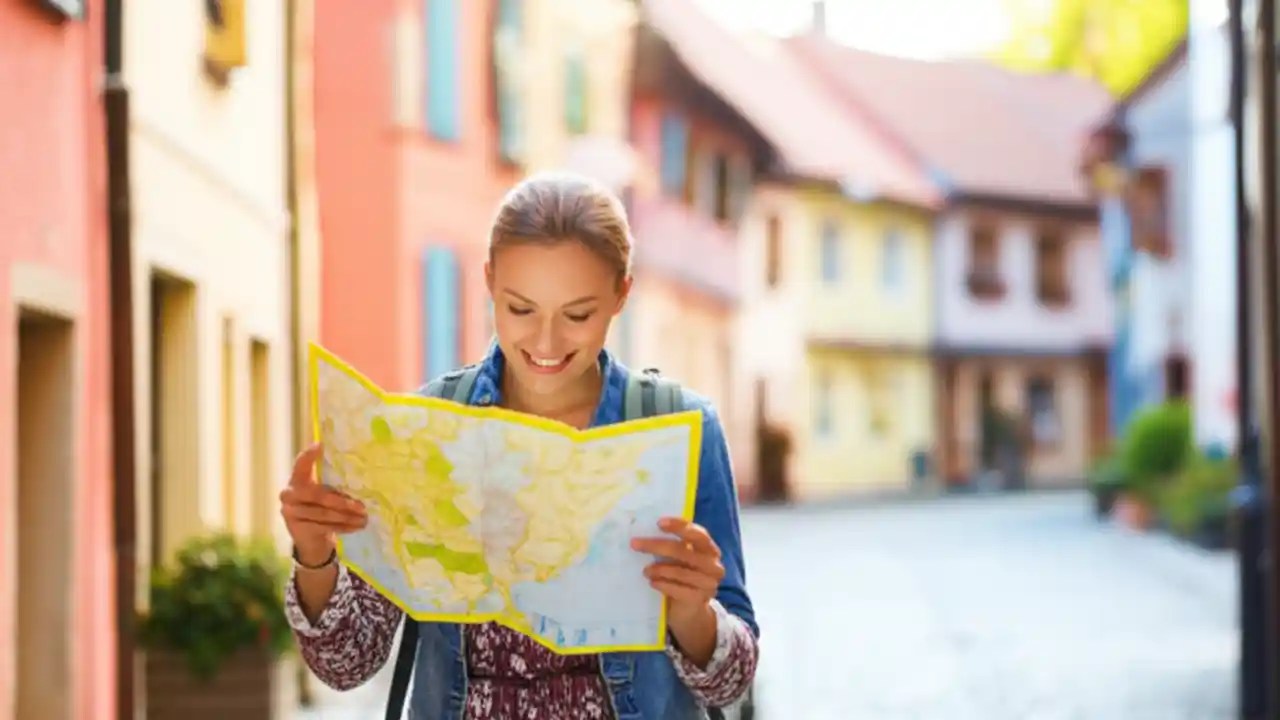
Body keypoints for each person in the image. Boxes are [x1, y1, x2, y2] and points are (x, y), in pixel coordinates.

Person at [279, 172, 759, 719]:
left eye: (577, 315)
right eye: (520, 309)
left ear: (622, 293)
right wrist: (315, 557)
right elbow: (348, 664)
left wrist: (695, 616)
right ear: (489, 282)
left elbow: (731, 687)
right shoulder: (429, 427)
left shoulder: (680, 428)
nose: (546, 342)